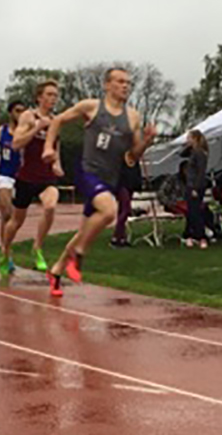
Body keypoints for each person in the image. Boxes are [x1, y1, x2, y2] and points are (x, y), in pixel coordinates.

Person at [44, 67, 157, 297]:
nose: (125, 86)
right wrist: (48, 149)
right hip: (87, 171)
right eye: (120, 81)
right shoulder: (91, 107)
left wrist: (146, 141)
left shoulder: (133, 116)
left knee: (85, 229)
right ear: (107, 85)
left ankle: (56, 271)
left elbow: (133, 156)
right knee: (109, 211)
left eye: (128, 82)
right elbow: (57, 120)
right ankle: (79, 254)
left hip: (111, 178)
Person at [0, 82, 64, 276]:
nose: (53, 98)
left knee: (51, 205)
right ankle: (5, 251)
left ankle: (37, 248)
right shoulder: (28, 116)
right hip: (26, 177)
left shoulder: (56, 121)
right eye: (49, 94)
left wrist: (56, 164)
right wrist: (36, 128)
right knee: (16, 221)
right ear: (39, 97)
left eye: (56, 95)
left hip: (46, 177)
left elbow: (55, 147)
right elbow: (16, 144)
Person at [0, 100, 26, 271]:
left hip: (21, 178)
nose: (20, 114)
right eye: (17, 111)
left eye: (23, 111)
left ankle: (6, 248)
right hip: (3, 176)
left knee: (15, 218)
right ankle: (6, 253)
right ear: (10, 113)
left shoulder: (27, 133)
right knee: (7, 213)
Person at [181, 130, 210, 248]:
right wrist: (187, 147)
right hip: (190, 185)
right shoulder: (192, 152)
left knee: (195, 212)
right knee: (191, 211)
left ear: (195, 138)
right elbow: (181, 154)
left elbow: (200, 172)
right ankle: (189, 234)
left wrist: (195, 188)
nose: (187, 140)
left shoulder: (200, 153)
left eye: (189, 138)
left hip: (195, 186)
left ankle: (201, 236)